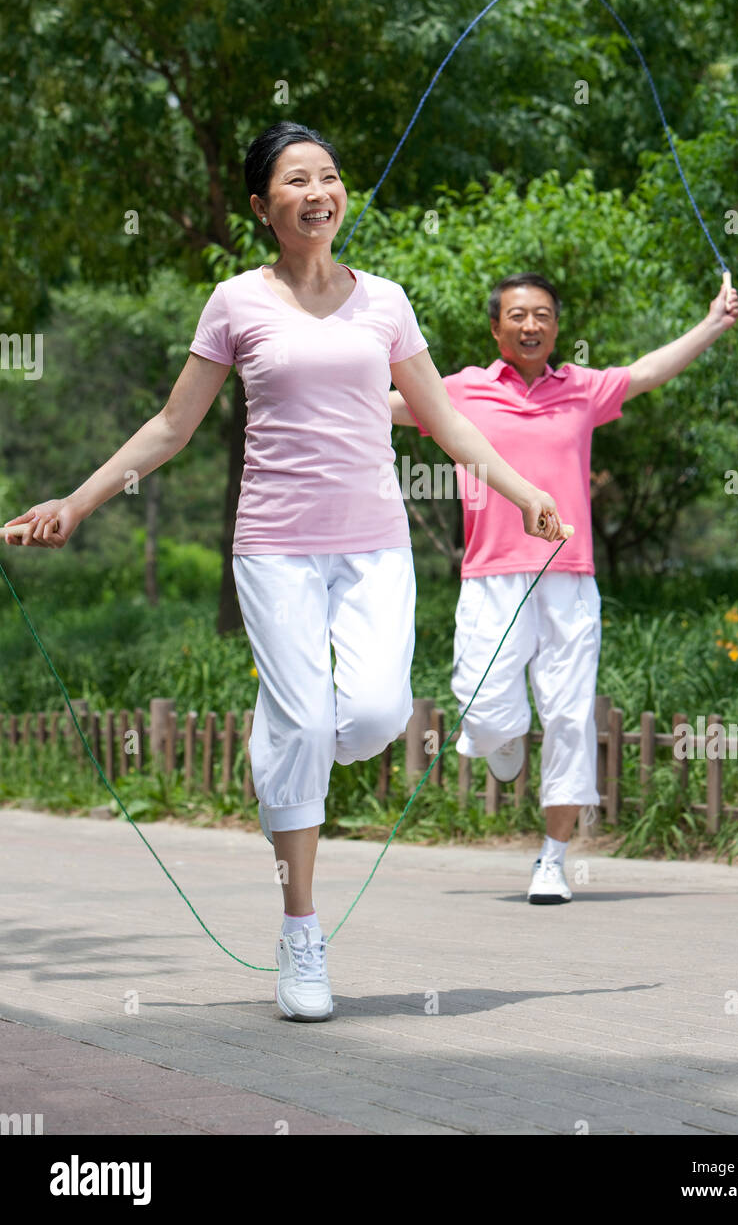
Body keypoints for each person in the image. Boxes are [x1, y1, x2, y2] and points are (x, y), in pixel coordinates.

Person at [2, 122, 573, 1024]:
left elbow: (448, 422)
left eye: (331, 177)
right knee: (306, 720)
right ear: (264, 207)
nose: (319, 192)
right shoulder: (235, 302)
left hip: (376, 545)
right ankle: (302, 933)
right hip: (273, 549)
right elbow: (170, 427)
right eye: (296, 180)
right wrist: (76, 503)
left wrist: (521, 488)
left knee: (378, 714)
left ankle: (285, 756)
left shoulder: (384, 300)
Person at [389, 269, 738, 903]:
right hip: (491, 574)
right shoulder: (460, 390)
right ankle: (497, 734)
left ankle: (552, 858)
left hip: (569, 577)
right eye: (518, 315)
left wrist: (713, 322)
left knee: (570, 716)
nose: (532, 325)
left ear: (556, 327)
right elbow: (377, 404)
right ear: (496, 326)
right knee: (485, 703)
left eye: (544, 315)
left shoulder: (580, 388)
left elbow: (647, 372)